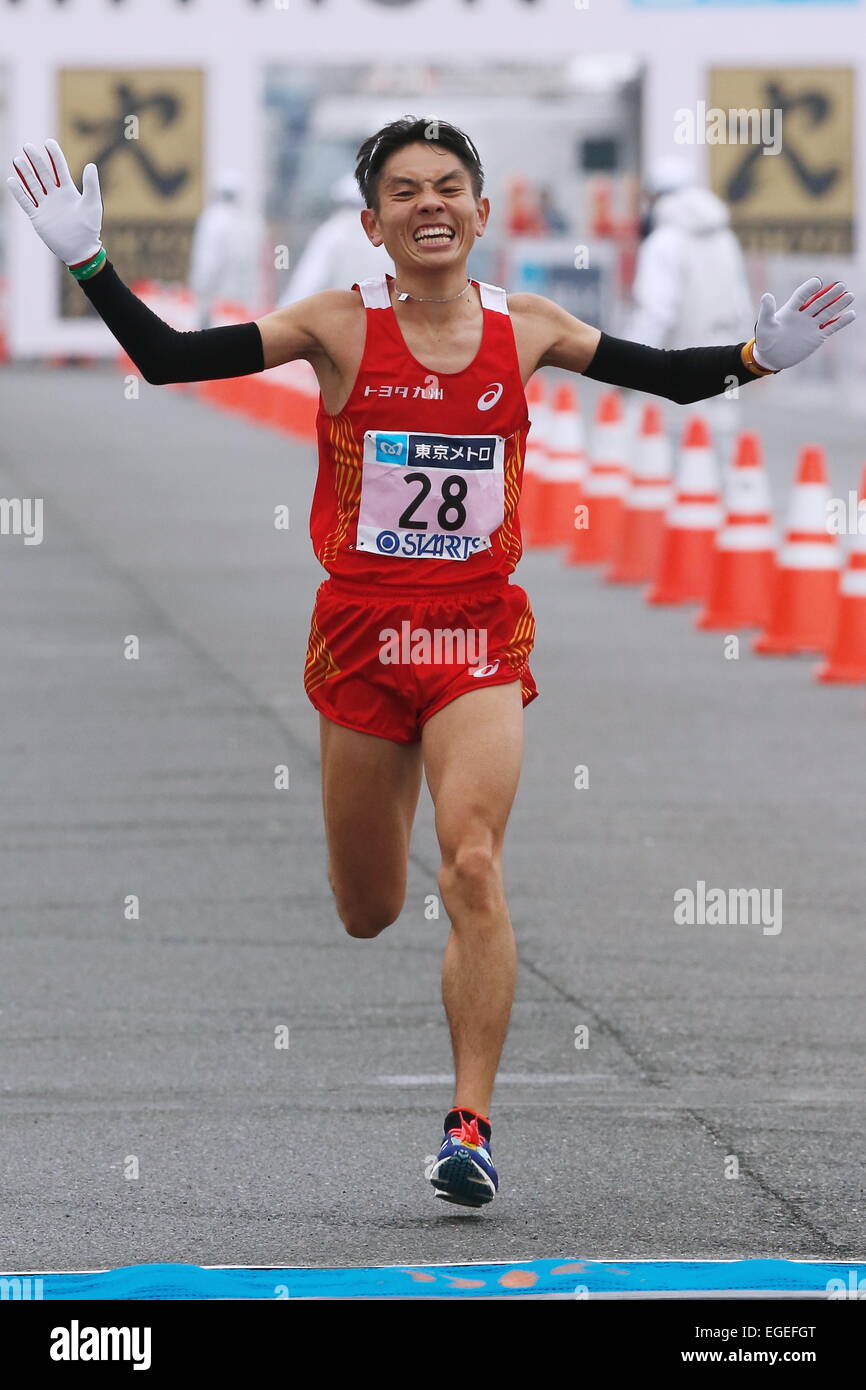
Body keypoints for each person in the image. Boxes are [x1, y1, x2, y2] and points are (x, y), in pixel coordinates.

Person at [8, 125, 854, 1210]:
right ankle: (401, 939)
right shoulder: (333, 325)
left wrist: (753, 356)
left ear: (482, 211)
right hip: (362, 635)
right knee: (366, 906)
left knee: (471, 865)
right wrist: (86, 263)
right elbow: (172, 359)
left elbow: (666, 380)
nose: (427, 205)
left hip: (473, 638)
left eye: (447, 186)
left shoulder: (529, 326)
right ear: (372, 225)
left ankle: (469, 1125)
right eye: (402, 193)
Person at [625, 156, 756, 458]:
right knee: (716, 467)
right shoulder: (726, 239)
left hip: (675, 377)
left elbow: (656, 314)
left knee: (665, 470)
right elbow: (741, 307)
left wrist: (626, 365)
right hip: (724, 365)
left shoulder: (663, 242)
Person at [275, 172, 394, 308]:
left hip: (345, 318)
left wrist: (281, 317)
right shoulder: (391, 232)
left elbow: (307, 283)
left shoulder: (334, 232)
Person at [188, 168, 265, 328]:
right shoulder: (253, 222)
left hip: (219, 307)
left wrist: (198, 299)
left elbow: (207, 266)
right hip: (247, 308)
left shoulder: (213, 219)